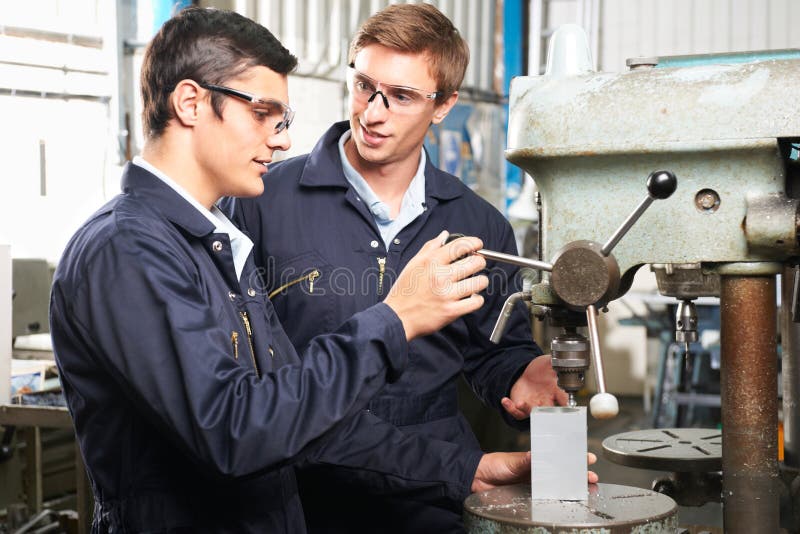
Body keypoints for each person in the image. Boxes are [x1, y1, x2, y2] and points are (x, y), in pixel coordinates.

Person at [48, 7, 496, 533]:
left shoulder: (213, 245)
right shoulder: (127, 250)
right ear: (191, 102)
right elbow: (235, 431)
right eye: (263, 114)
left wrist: (466, 469)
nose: (282, 140)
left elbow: (305, 421)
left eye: (283, 121)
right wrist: (394, 319)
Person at [228, 3, 579, 532]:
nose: (372, 112)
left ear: (444, 106)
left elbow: (492, 353)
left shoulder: (477, 224)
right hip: (301, 488)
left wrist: (521, 373)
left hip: (434, 487)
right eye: (364, 85)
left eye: (403, 97)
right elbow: (241, 369)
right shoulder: (261, 200)